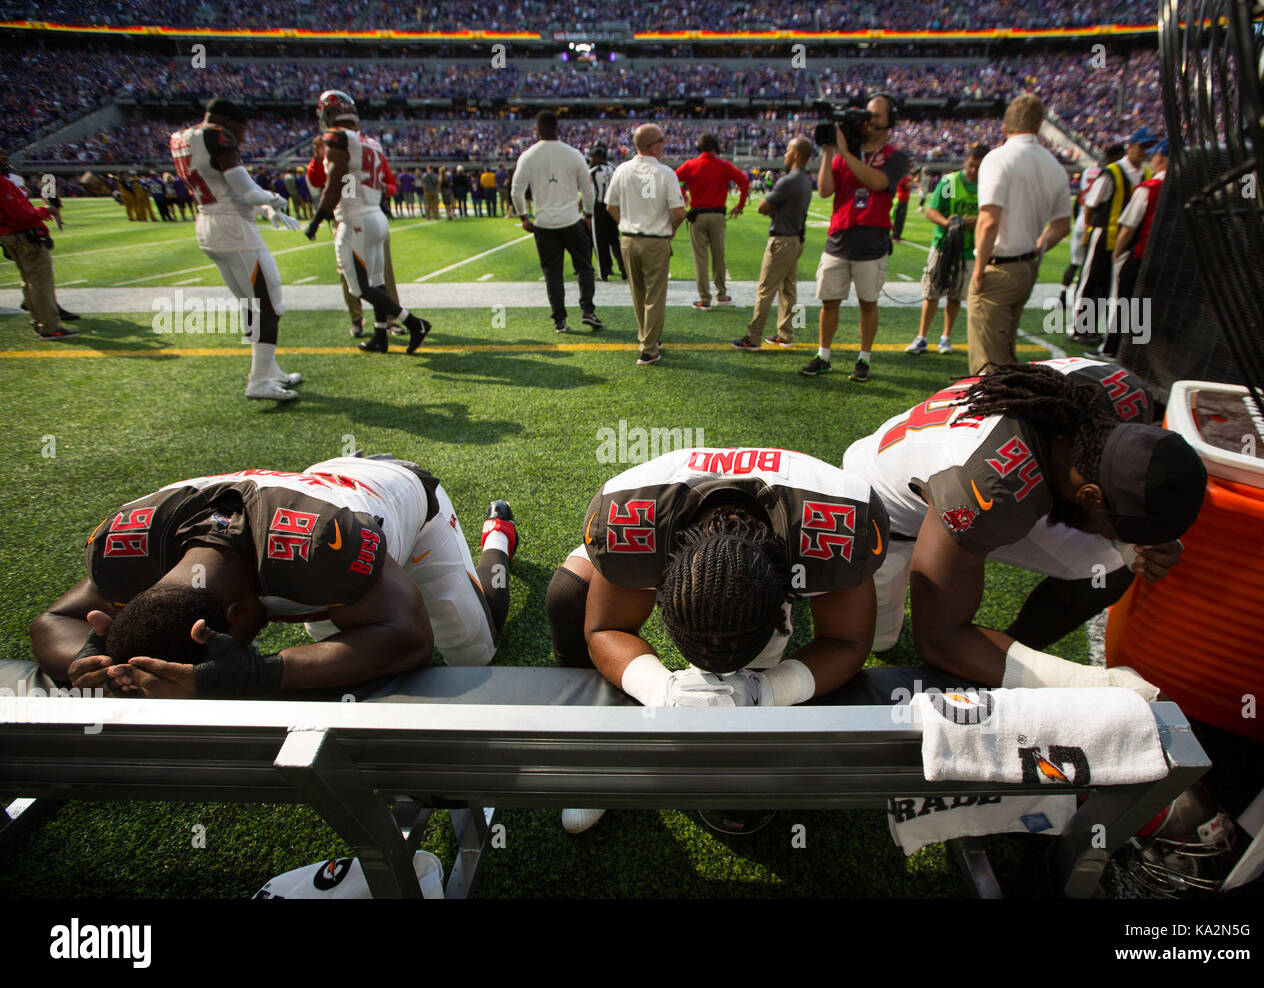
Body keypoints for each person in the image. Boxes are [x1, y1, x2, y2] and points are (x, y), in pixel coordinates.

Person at [545, 445, 889, 833]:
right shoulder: (632, 517)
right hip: (665, 508)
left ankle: (755, 681)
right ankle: (595, 743)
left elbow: (848, 640)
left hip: (796, 516)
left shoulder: (838, 523)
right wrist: (659, 687)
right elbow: (606, 629)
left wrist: (770, 688)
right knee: (569, 596)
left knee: (747, 705)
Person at [840, 359, 1205, 694]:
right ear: (1091, 496)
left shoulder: (1121, 392)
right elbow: (939, 639)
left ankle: (1012, 652)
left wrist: (1132, 543)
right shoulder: (987, 489)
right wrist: (1091, 685)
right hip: (882, 507)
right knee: (882, 641)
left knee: (1110, 567)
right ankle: (990, 663)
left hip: (984, 470)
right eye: (1122, 530)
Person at [29, 455, 520, 696]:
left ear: (238, 613)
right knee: (337, 663)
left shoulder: (319, 550)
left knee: (473, 647)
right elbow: (54, 619)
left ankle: (496, 540)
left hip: (400, 497)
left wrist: (257, 674)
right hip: (312, 498)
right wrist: (90, 659)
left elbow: (410, 639)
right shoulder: (134, 552)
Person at [169, 98, 303, 401]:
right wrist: (275, 200)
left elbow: (225, 193)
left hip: (207, 223)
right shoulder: (218, 135)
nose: (241, 140)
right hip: (233, 232)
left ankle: (269, 370)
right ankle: (258, 381)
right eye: (240, 133)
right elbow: (247, 192)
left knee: (250, 302)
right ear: (228, 122)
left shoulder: (181, 137)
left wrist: (267, 211)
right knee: (269, 304)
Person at [304, 90, 430, 356]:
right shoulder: (371, 142)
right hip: (375, 216)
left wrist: (317, 219)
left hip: (355, 219)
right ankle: (379, 335)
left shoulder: (337, 138)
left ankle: (414, 322)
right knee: (377, 283)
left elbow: (335, 179)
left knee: (359, 287)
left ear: (328, 114)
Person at [801, 94, 910, 383]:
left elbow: (878, 183)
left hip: (872, 239)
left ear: (890, 121)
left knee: (868, 303)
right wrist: (828, 153)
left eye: (875, 115)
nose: (868, 119)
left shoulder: (895, 156)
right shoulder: (844, 152)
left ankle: (864, 358)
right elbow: (825, 190)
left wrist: (846, 153)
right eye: (866, 114)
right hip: (839, 235)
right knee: (829, 301)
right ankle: (823, 355)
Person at [965, 95, 1072, 375]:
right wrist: (1037, 248)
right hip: (1026, 267)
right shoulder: (1055, 166)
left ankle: (996, 416)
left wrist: (978, 271)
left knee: (988, 365)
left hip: (998, 267)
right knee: (1007, 353)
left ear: (1004, 127)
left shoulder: (998, 159)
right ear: (1038, 126)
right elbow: (1062, 225)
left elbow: (988, 222)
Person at [510, 110, 601, 334]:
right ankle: (588, 311)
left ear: (537, 129)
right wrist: (588, 215)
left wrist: (524, 216)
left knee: (553, 273)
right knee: (585, 268)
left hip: (544, 223)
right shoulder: (573, 154)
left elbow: (516, 190)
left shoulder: (528, 156)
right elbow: (588, 190)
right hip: (571, 220)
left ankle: (559, 320)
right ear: (557, 127)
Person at [605, 123, 686, 365]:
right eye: (661, 139)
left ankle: (647, 338)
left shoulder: (621, 170)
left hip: (629, 239)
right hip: (655, 240)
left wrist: (627, 224)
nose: (664, 144)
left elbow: (610, 207)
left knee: (638, 294)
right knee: (655, 296)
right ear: (652, 145)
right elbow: (680, 212)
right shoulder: (665, 173)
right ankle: (649, 348)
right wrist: (669, 232)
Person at [1072, 127, 1157, 345]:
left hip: (1127, 237)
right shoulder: (1112, 172)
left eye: (1148, 148)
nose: (1145, 152)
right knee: (1092, 281)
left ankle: (1099, 330)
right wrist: (1090, 230)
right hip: (1104, 234)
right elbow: (1090, 205)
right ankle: (1080, 328)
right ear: (1130, 146)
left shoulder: (1146, 174)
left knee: (1113, 287)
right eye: (1142, 146)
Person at [905, 143, 988, 356]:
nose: (974, 171)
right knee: (932, 293)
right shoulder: (950, 182)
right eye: (971, 165)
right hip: (943, 247)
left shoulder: (987, 186)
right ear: (966, 162)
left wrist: (976, 221)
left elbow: (991, 216)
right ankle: (922, 337)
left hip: (968, 250)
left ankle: (945, 337)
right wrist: (947, 222)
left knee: (955, 295)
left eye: (979, 167)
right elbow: (931, 210)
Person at [1090, 139, 1169, 360]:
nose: (1150, 158)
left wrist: (1117, 253)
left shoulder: (1149, 186)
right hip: (1162, 258)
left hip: (1134, 250)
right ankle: (1135, 349)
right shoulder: (1179, 186)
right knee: (1142, 305)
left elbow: (1129, 226)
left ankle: (1110, 347)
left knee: (1118, 299)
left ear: (1160, 158)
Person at [733, 136, 814, 351]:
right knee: (788, 289)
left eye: (788, 151)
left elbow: (762, 206)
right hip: (796, 239)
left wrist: (774, 210)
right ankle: (785, 333)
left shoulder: (789, 180)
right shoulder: (806, 179)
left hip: (782, 240)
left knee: (765, 289)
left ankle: (753, 337)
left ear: (796, 154)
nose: (784, 155)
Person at [0, 151, 77, 340]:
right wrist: (46, 211)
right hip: (23, 236)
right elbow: (21, 214)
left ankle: (38, 321)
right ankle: (50, 327)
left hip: (9, 235)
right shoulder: (3, 183)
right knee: (40, 282)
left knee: (29, 280)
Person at [674, 133, 749, 309]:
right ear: (716, 147)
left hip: (697, 216)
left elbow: (672, 179)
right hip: (717, 216)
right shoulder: (724, 166)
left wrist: (683, 196)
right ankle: (721, 295)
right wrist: (740, 205)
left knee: (700, 259)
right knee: (719, 257)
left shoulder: (691, 165)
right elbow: (744, 181)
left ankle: (704, 299)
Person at [1060, 145, 1121, 312]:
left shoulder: (1088, 171)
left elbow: (1081, 197)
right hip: (1095, 224)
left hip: (1081, 220)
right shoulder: (1111, 174)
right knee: (1090, 270)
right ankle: (1081, 312)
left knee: (1075, 263)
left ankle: (1063, 294)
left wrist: (1079, 220)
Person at [587, 145, 625, 281]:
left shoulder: (592, 171)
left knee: (600, 242)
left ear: (598, 157)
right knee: (615, 239)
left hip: (599, 207)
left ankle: (604, 272)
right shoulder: (613, 169)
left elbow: (587, 191)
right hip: (614, 205)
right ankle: (624, 268)